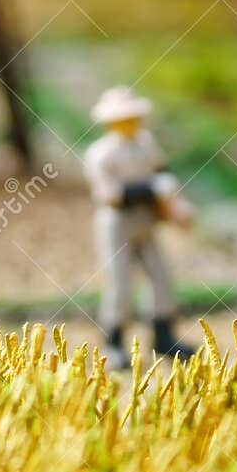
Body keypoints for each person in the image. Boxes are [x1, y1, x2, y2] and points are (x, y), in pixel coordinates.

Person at [83, 86, 196, 363]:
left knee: (160, 276)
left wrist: (173, 202)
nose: (129, 123)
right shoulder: (101, 154)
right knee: (119, 283)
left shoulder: (145, 142)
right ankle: (114, 342)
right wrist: (152, 189)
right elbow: (110, 195)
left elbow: (161, 170)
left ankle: (163, 335)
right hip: (117, 223)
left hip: (146, 219)